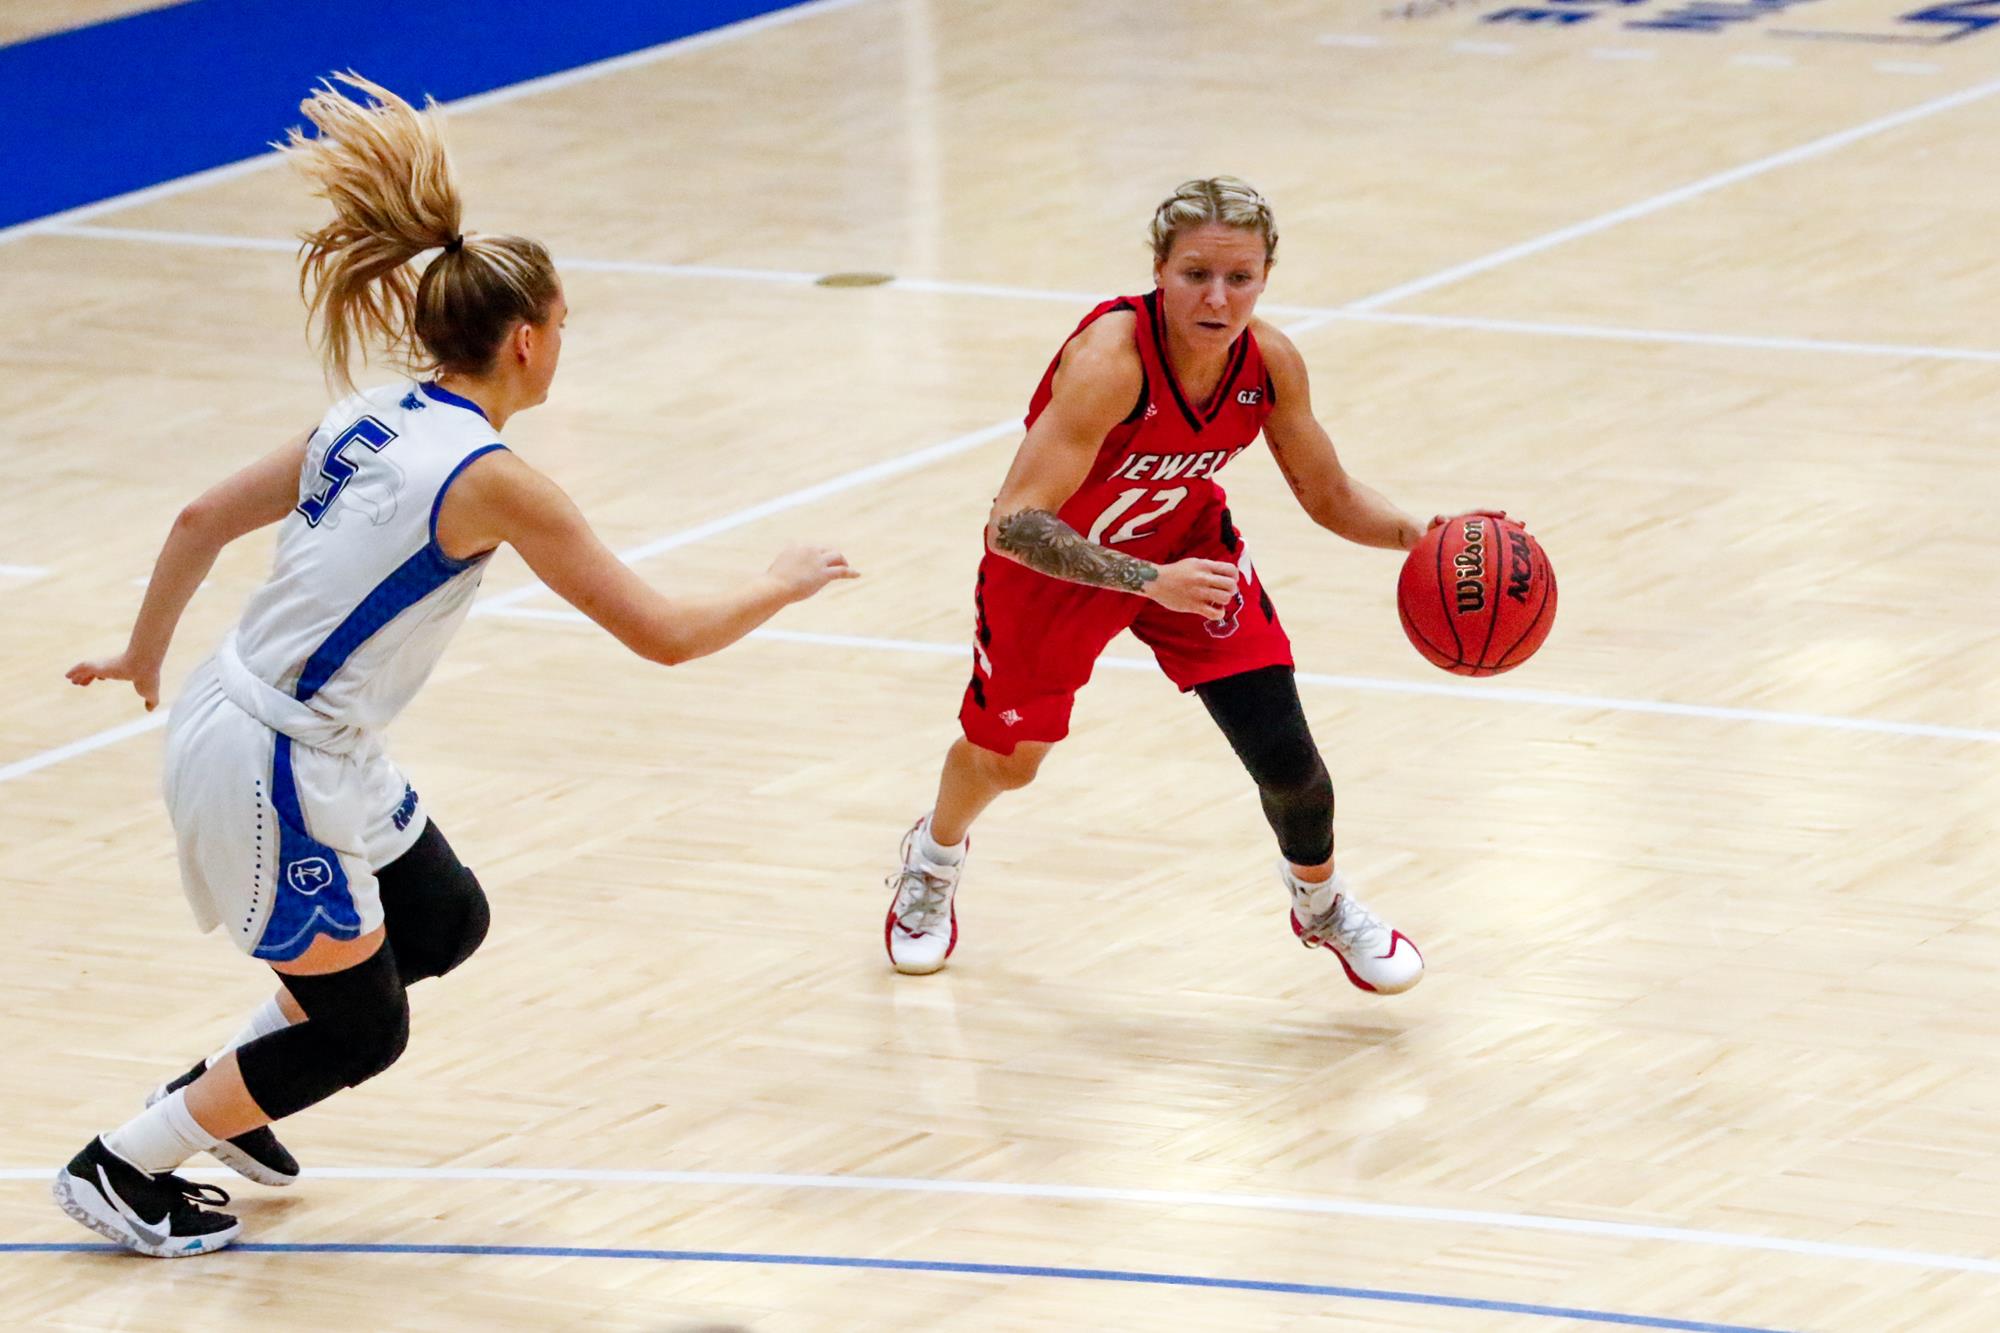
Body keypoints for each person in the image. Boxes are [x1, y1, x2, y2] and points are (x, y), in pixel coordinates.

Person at [51, 73, 856, 1258]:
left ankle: (230, 1090)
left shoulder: (368, 413)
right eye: (565, 326)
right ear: (525, 339)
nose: (563, 346)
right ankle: (120, 1164)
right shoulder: (494, 480)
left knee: (439, 919)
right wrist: (779, 582)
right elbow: (664, 635)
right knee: (364, 1031)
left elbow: (196, 517)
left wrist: (143, 649)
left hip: (277, 719)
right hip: (271, 757)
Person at [884, 177, 1496, 992]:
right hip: (1054, 569)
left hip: (1190, 553)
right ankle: (933, 857)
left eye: (1239, 278)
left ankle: (1321, 904)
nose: (1217, 297)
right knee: (1008, 762)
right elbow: (1015, 523)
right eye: (1196, 274)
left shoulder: (1269, 362)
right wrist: (1146, 580)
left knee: (1288, 760)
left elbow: (1329, 493)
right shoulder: (1110, 363)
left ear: (1265, 278)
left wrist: (1419, 534)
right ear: (1159, 271)